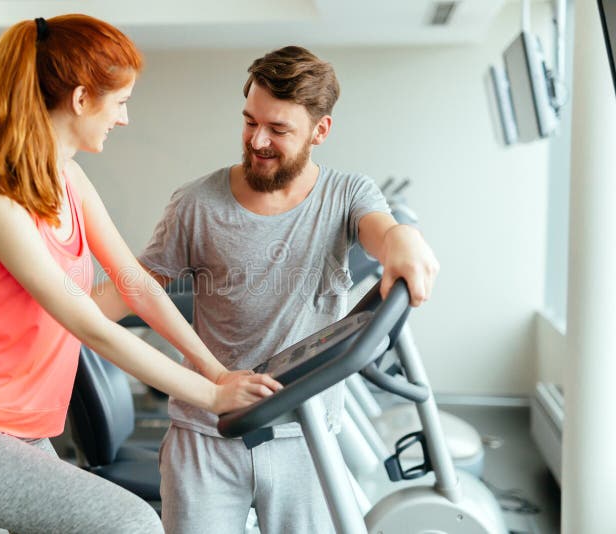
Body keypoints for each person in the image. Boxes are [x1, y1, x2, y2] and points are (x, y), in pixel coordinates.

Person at [0, 14, 281, 534]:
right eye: (119, 102)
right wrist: (209, 397)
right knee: (131, 525)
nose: (123, 119)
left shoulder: (69, 178)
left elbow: (135, 282)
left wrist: (217, 372)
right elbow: (91, 326)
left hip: (22, 433)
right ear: (80, 99)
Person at [125, 45, 439, 533]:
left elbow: (382, 230)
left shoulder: (347, 194)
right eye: (250, 122)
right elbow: (136, 288)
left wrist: (403, 239)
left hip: (306, 436)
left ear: (320, 131)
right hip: (206, 437)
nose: (257, 140)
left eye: (278, 129)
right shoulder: (194, 203)